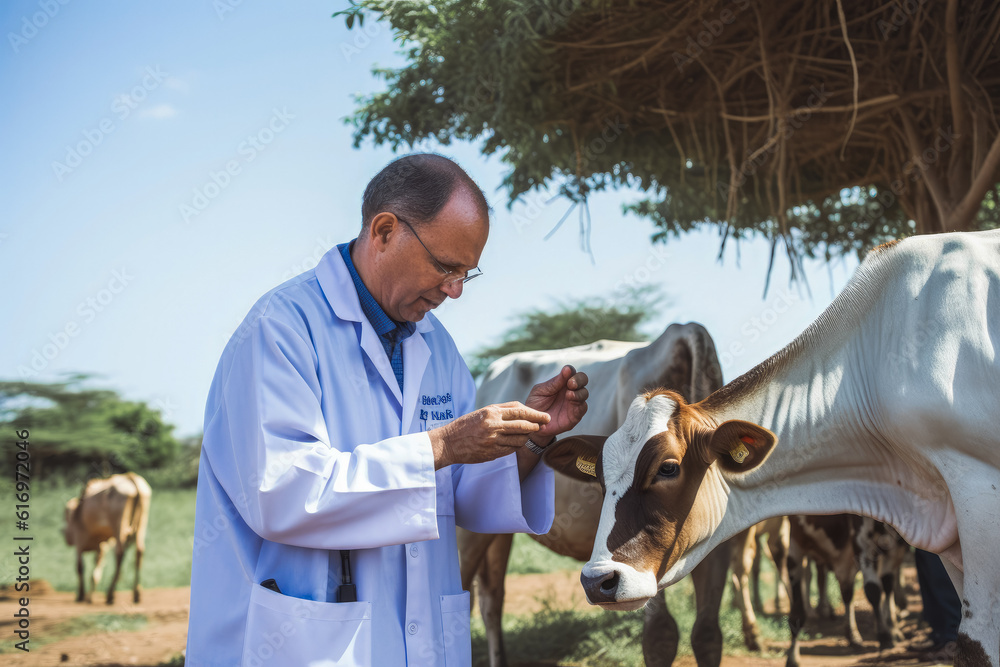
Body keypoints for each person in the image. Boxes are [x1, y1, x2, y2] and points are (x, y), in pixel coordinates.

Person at [184, 153, 590, 666]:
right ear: (383, 231)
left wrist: (532, 440)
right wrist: (442, 444)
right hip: (302, 642)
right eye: (445, 267)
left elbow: (460, 491)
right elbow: (283, 493)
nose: (455, 291)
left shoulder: (436, 346)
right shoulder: (280, 330)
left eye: (467, 273)